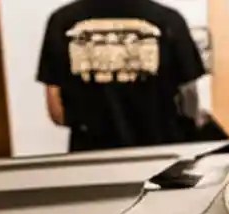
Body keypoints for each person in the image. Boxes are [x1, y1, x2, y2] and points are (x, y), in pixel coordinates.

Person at [37, 0, 207, 152]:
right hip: (161, 157)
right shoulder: (169, 20)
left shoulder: (61, 21)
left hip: (89, 158)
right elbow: (189, 104)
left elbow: (56, 111)